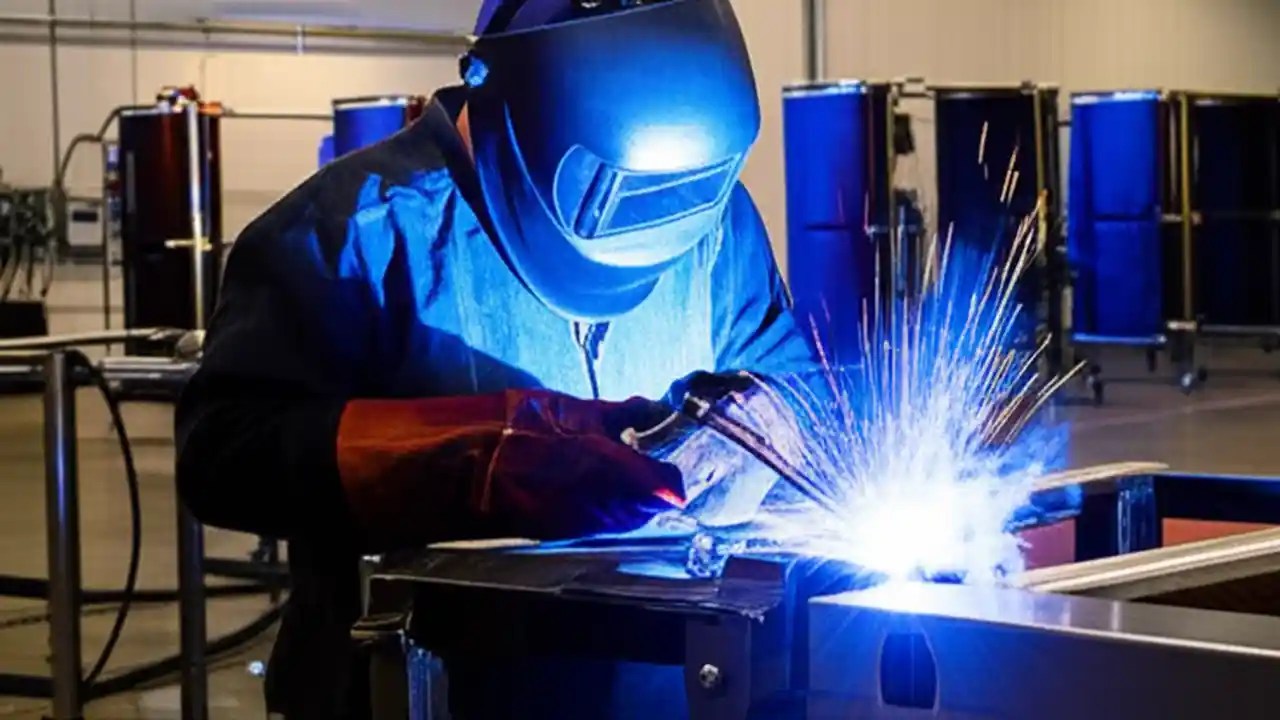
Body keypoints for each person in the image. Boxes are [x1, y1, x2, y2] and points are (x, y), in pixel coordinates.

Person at [175, 0, 816, 717]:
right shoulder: (348, 237)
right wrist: (473, 455)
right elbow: (221, 453)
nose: (649, 215)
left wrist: (768, 418)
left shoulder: (713, 215)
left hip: (666, 687)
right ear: (497, 87)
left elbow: (788, 374)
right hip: (428, 691)